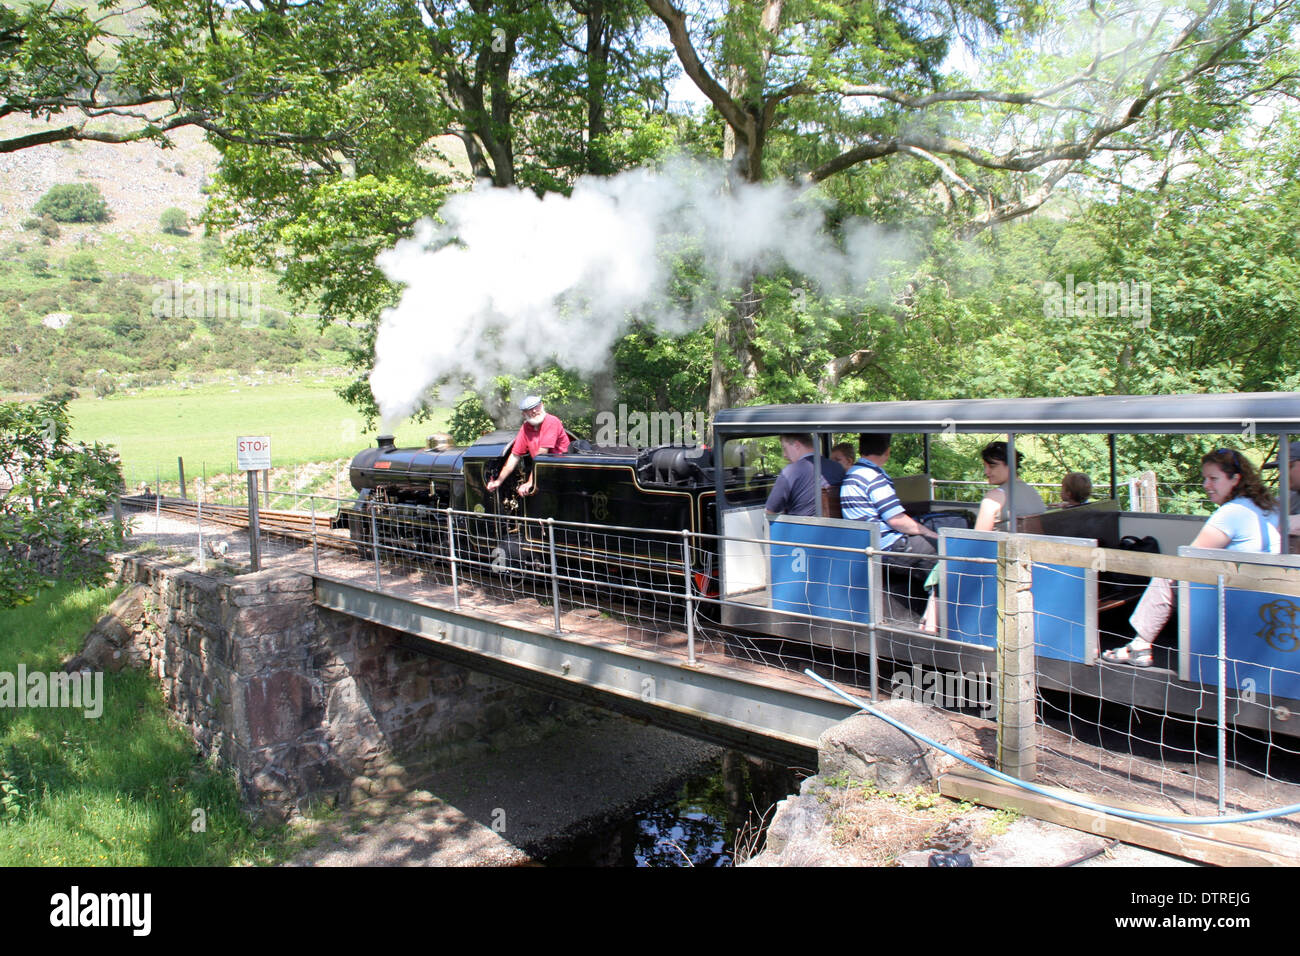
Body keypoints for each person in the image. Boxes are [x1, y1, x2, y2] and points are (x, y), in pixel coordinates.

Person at [1102, 447, 1280, 667]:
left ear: (1235, 479)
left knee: (1167, 575)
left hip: (1235, 595)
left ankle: (1140, 645)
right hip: (1261, 593)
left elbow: (1189, 558)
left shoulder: (1231, 512)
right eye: (1205, 479)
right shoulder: (1266, 507)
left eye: (1213, 479)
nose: (1206, 485)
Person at [840, 433, 938, 568]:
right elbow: (896, 520)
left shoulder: (855, 473)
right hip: (884, 545)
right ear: (887, 451)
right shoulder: (872, 476)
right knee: (937, 548)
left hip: (868, 541)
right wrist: (928, 532)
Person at [486, 395, 570, 497]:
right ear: (524, 413)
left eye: (537, 407)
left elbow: (542, 455)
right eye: (529, 409)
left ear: (542, 405)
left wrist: (531, 482)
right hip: (543, 474)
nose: (534, 411)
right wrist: (498, 481)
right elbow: (514, 456)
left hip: (561, 473)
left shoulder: (551, 421)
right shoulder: (525, 428)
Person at [764, 433, 845, 517]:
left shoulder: (790, 472)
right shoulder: (838, 468)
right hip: (835, 527)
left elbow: (770, 511)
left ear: (796, 445)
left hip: (801, 527)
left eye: (785, 449)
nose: (784, 455)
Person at [974, 441, 1046, 532]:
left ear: (1011, 465)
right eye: (985, 466)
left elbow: (978, 539)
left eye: (992, 466)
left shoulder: (993, 498)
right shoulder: (1033, 492)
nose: (986, 472)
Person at [1263, 439, 1300, 536]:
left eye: (1289, 467)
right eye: (1280, 469)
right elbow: (1266, 509)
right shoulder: (1293, 495)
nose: (1282, 474)